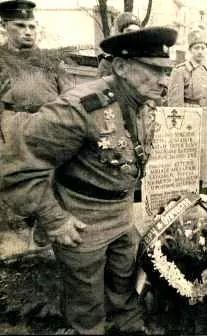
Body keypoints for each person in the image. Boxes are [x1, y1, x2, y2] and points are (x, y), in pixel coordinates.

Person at [0, 25, 177, 334]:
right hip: (82, 223)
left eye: (168, 72)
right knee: (87, 308)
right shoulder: (80, 107)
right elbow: (18, 162)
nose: (165, 81)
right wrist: (55, 220)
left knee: (123, 291)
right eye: (156, 70)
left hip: (121, 215)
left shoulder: (142, 101)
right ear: (121, 67)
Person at [0, 0, 74, 249]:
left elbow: (69, 96)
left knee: (52, 177)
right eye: (20, 25)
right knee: (16, 179)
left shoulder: (51, 60)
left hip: (48, 124)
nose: (28, 31)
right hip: (12, 125)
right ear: (4, 26)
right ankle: (18, 229)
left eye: (32, 26)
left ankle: (45, 227)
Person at [167, 28, 207, 185]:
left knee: (205, 156)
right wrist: (178, 125)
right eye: (196, 47)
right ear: (190, 50)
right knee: (188, 155)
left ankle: (201, 190)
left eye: (203, 47)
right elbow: (175, 101)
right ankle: (186, 191)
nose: (200, 51)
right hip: (189, 115)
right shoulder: (181, 71)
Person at [97, 12, 141, 78]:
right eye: (129, 32)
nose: (134, 37)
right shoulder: (108, 62)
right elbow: (103, 86)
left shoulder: (142, 60)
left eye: (137, 33)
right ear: (119, 34)